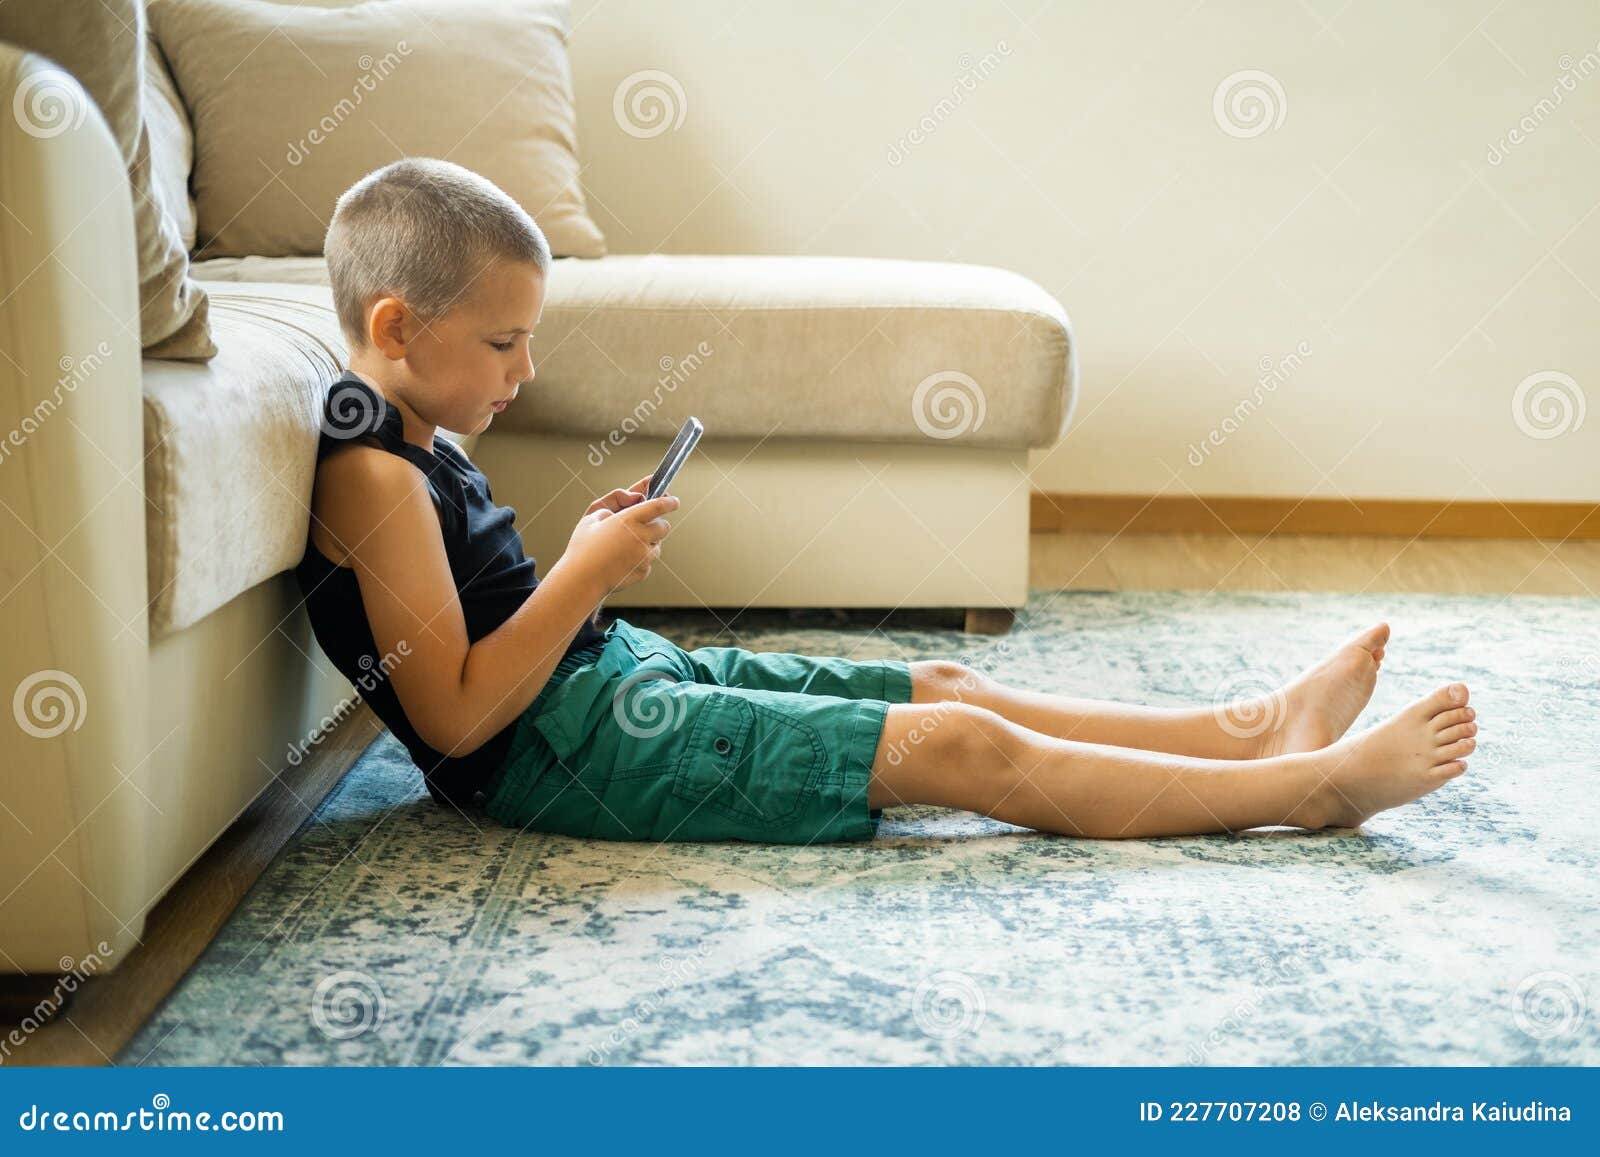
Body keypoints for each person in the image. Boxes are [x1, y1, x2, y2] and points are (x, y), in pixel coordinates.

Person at [296, 158, 1476, 845]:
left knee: (947, 682)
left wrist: (579, 573)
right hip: (556, 752)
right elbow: (452, 719)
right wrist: (581, 574)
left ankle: (1253, 727)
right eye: (504, 342)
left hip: (596, 685)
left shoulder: (407, 434)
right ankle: (1309, 788)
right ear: (397, 325)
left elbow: (481, 621)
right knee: (959, 744)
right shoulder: (372, 476)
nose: (525, 372)